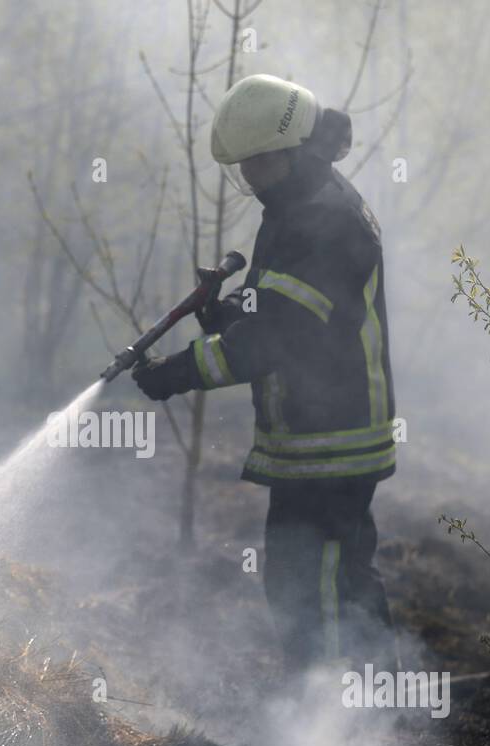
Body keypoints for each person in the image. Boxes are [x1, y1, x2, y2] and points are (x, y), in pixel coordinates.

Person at [132, 74, 397, 673]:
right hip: (314, 441)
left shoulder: (323, 221)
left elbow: (276, 339)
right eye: (243, 167)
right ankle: (352, 725)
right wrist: (222, 313)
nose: (248, 178)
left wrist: (175, 373)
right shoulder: (300, 203)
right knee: (323, 584)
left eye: (257, 163)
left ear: (292, 148)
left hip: (332, 442)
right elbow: (282, 319)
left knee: (319, 591)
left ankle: (339, 728)